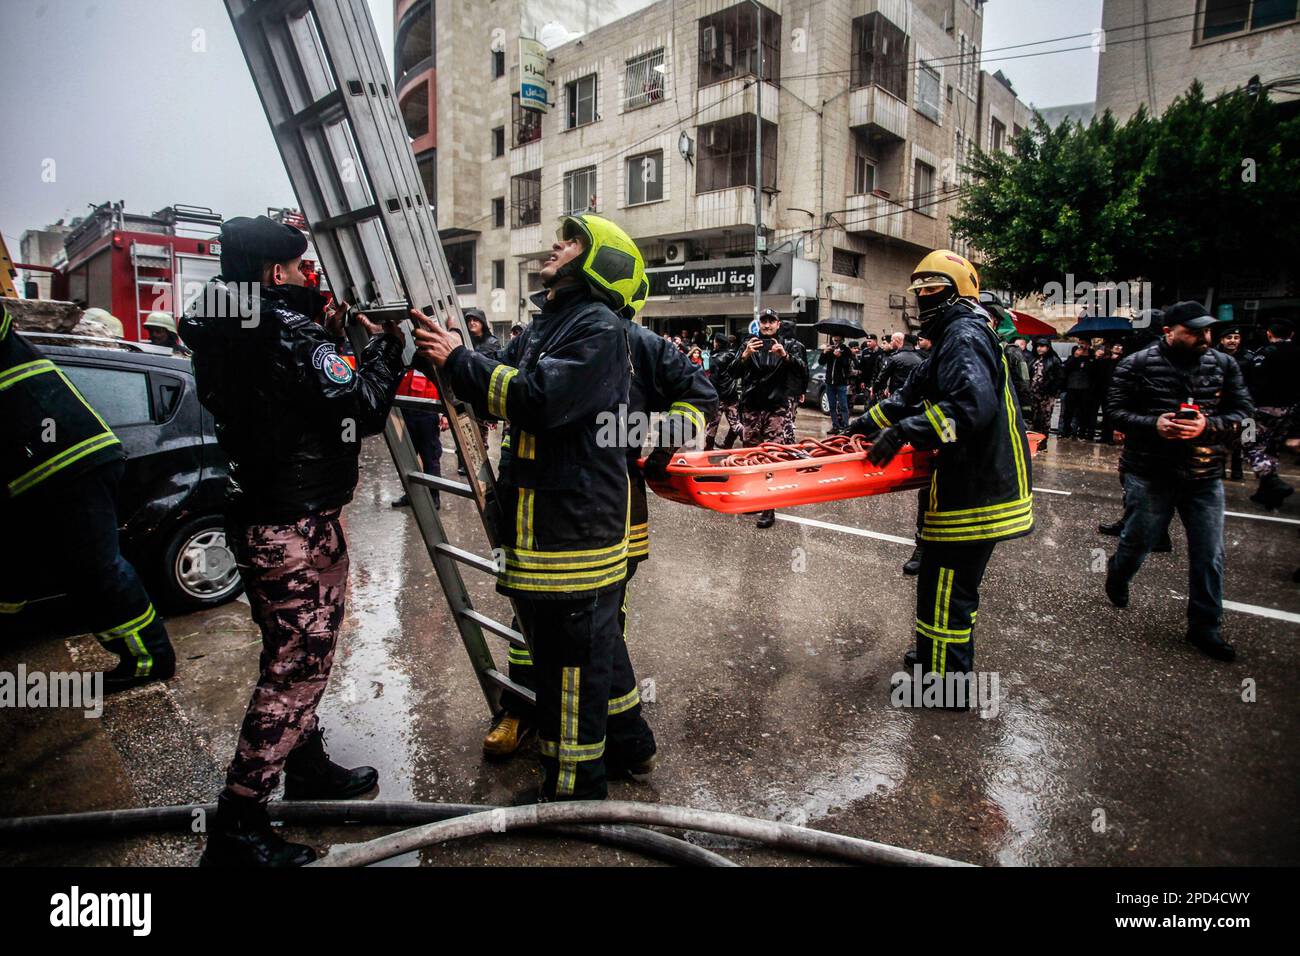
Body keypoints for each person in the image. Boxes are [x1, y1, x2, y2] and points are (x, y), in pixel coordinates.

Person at [183, 215, 407, 866]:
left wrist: (326, 328)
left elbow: (291, 393)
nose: (305, 275)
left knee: (290, 656)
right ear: (271, 272)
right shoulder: (283, 329)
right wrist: (387, 346)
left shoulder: (225, 323)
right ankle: (239, 828)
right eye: (296, 268)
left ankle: (304, 767)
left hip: (259, 512)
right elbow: (360, 404)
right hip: (294, 524)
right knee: (296, 668)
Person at [413, 213, 650, 802]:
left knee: (568, 675)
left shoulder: (597, 327)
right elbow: (495, 376)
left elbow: (538, 400)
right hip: (545, 533)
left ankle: (573, 793)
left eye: (570, 242)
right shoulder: (555, 323)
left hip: (572, 538)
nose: (555, 244)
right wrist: (432, 351)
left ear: (603, 264)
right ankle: (631, 746)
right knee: (592, 654)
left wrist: (459, 362)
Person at [480, 274, 719, 761]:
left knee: (593, 622)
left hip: (612, 502)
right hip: (536, 498)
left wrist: (659, 444)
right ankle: (526, 708)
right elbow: (508, 384)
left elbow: (700, 397)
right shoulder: (541, 332)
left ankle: (610, 731)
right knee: (535, 613)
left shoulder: (639, 343)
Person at [848, 250, 1033, 704]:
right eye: (920, 291)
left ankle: (947, 686)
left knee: (949, 590)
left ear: (956, 294)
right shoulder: (950, 337)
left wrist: (905, 433)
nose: (923, 300)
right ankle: (934, 659)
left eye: (932, 290)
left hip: (978, 492)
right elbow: (908, 398)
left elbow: (970, 410)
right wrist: (862, 424)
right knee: (936, 583)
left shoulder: (964, 335)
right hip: (965, 486)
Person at [0, 303, 177, 694]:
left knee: (95, 568)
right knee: (18, 567)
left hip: (66, 462)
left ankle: (150, 657)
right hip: (44, 466)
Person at [1104, 302, 1253, 662]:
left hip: (1205, 475)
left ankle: (1205, 625)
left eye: (1207, 331)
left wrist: (1209, 426)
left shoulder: (1224, 365)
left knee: (1209, 553)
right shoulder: (1136, 364)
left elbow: (1244, 414)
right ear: (1169, 331)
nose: (1205, 337)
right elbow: (1113, 411)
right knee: (1139, 541)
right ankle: (1118, 575)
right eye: (1194, 331)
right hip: (1151, 472)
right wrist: (1154, 424)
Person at [737, 308, 803, 529]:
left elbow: (802, 373)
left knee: (771, 456)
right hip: (752, 408)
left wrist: (785, 356)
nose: (767, 325)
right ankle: (755, 499)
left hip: (776, 408)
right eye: (763, 321)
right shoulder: (750, 343)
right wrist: (744, 356)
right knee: (752, 456)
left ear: (778, 324)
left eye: (771, 321)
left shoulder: (789, 345)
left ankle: (769, 507)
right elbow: (731, 372)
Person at [1242, 320, 1297, 510]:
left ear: (1269, 334)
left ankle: (1271, 480)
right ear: (1291, 334)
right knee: (1271, 449)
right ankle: (1267, 491)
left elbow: (1253, 384)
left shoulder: (1264, 354)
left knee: (1248, 444)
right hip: (1290, 410)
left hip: (1262, 409)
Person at [705, 333, 743, 450]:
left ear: (718, 343)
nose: (713, 343)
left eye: (714, 341)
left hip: (718, 397)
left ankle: (708, 448)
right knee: (735, 423)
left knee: (713, 424)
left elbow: (713, 378)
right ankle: (742, 441)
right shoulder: (733, 355)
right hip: (731, 395)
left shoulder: (715, 358)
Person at [1027, 337, 1064, 447]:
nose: (1039, 349)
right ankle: (1033, 443)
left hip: (1047, 395)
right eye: (1038, 346)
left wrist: (1052, 390)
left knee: (1045, 419)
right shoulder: (1032, 359)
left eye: (1042, 346)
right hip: (1033, 393)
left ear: (1048, 347)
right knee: (1033, 418)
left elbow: (1060, 377)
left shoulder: (1054, 360)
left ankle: (1043, 443)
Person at [779, 318, 809, 443]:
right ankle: (788, 443)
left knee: (780, 418)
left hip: (779, 387)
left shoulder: (777, 344)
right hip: (794, 388)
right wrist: (803, 390)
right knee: (790, 417)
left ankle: (783, 440)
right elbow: (804, 370)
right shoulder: (800, 346)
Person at [821, 335, 855, 433]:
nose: (836, 341)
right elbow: (821, 362)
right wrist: (824, 352)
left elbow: (847, 365)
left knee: (843, 405)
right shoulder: (830, 349)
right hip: (829, 382)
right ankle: (835, 426)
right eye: (834, 339)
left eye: (838, 339)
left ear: (842, 340)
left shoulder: (846, 350)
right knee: (831, 405)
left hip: (841, 382)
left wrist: (839, 357)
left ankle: (845, 426)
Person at [1059, 345, 1092, 439]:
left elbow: (1093, 372)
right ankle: (1066, 431)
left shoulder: (1090, 360)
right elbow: (1065, 369)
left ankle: (1081, 432)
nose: (1082, 351)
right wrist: (1075, 357)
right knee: (1068, 412)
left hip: (1085, 389)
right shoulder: (1071, 359)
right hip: (1071, 388)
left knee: (1083, 412)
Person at [877, 332, 923, 397]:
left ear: (897, 341)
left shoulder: (895, 358)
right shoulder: (919, 357)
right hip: (914, 394)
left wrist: (874, 389)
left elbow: (883, 376)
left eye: (892, 340)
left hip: (898, 394)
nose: (891, 342)